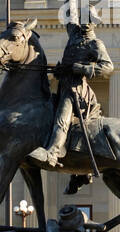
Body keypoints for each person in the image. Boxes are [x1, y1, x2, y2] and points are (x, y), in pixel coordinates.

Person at [28, 17, 113, 168]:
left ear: (94, 23)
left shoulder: (95, 44)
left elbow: (108, 67)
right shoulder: (74, 34)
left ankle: (53, 153)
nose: (86, 23)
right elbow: (69, 14)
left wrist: (82, 68)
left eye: (89, 20)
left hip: (77, 90)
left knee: (62, 117)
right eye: (84, 19)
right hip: (64, 85)